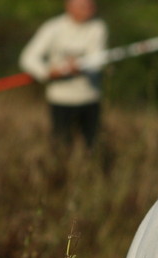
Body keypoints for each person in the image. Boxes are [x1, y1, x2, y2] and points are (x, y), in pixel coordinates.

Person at [19, 0, 108, 148]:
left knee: (93, 146)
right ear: (69, 7)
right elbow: (28, 58)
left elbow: (98, 60)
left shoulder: (98, 28)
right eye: (83, 6)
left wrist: (81, 66)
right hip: (60, 99)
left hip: (90, 98)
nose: (89, 10)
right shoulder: (53, 27)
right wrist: (47, 72)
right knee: (61, 145)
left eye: (91, 6)